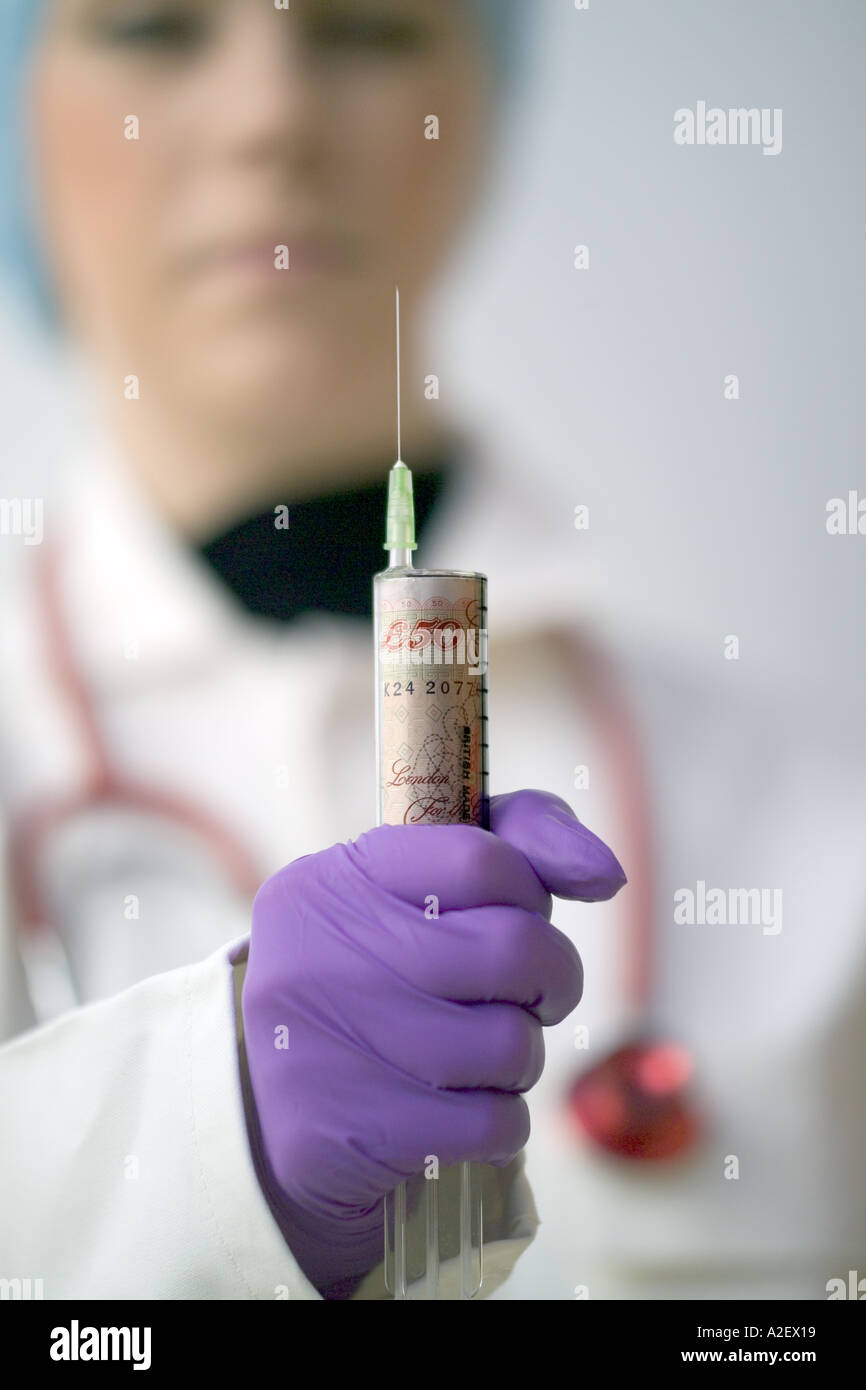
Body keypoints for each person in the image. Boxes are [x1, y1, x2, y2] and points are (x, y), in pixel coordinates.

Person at [0, 0, 864, 1303]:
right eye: (154, 29)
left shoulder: (810, 822)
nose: (271, 120)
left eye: (366, 31)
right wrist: (201, 1141)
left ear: (483, 101)